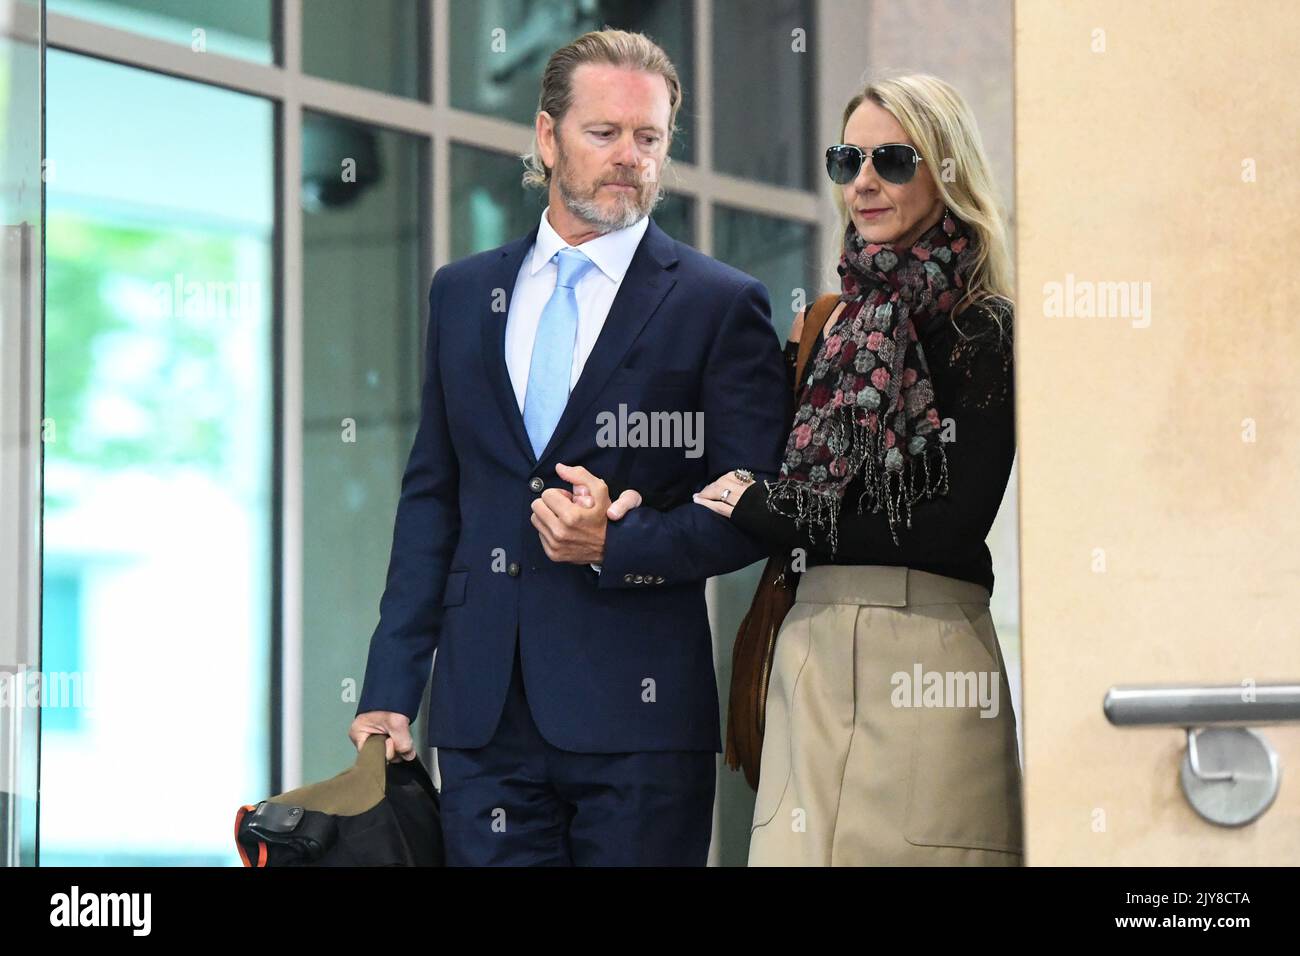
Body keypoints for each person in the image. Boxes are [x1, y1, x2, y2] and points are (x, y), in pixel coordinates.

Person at [348, 29, 788, 866]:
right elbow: (433, 498)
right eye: (604, 133)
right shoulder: (464, 292)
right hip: (482, 721)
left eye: (649, 138)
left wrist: (619, 545)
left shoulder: (719, 304)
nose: (629, 156)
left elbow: (756, 503)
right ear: (547, 137)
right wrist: (390, 687)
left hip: (640, 720)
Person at [632, 74, 1023, 865]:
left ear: (946, 168)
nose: (865, 181)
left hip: (929, 656)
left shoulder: (984, 326)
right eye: (849, 160)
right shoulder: (830, 325)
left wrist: (766, 511)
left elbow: (949, 520)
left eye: (893, 159)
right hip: (808, 642)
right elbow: (740, 455)